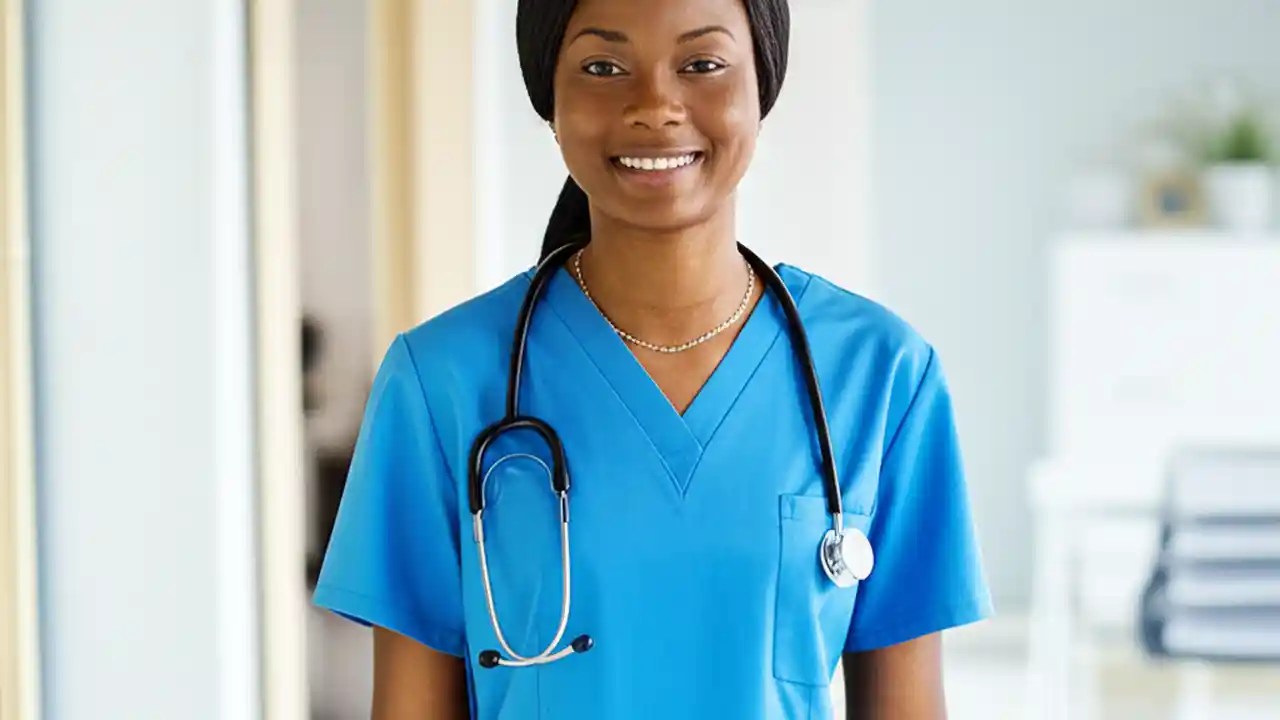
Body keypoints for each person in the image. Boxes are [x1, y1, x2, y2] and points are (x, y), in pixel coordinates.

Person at [313, 0, 993, 717]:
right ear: (550, 96)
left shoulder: (880, 376)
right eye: (603, 67)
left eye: (702, 65)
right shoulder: (441, 381)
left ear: (763, 83)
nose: (655, 106)